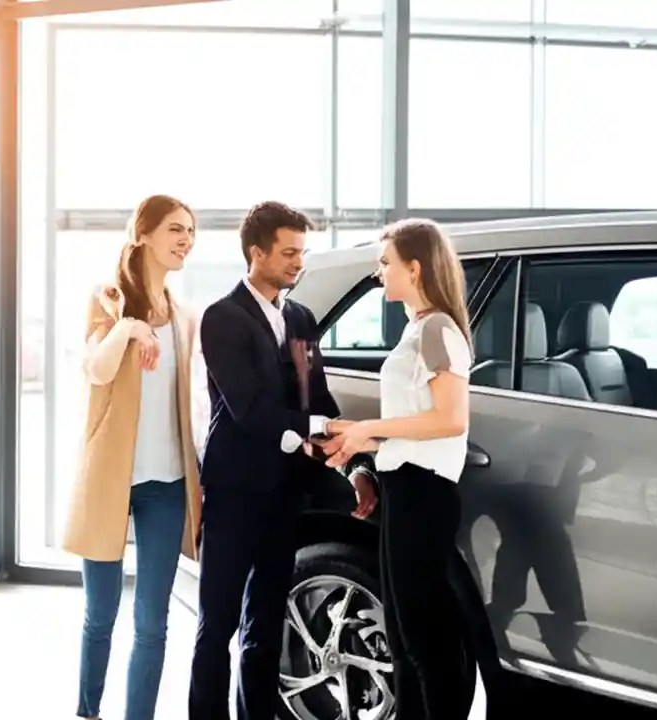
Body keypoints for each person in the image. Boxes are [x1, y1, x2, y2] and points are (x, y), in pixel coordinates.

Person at [188, 200, 341, 720]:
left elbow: (316, 395)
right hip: (235, 491)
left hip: (285, 491)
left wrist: (343, 440)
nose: (299, 263)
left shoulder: (300, 316)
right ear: (257, 253)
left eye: (302, 252)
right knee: (218, 625)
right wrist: (317, 430)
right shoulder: (222, 317)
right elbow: (249, 409)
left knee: (266, 623)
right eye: (289, 252)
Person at [320, 217, 476, 720]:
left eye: (385, 263)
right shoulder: (419, 329)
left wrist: (368, 429)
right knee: (406, 635)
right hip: (405, 487)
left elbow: (450, 420)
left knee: (425, 636)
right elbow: (418, 418)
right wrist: (361, 437)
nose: (378, 272)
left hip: (423, 492)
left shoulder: (436, 330)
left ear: (415, 267)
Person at [60, 194, 203, 720]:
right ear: (142, 234)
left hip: (166, 485)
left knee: (152, 622)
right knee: (100, 616)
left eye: (191, 230)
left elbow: (191, 404)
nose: (186, 239)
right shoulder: (109, 301)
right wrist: (129, 328)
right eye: (175, 229)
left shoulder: (186, 319)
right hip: (109, 480)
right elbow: (96, 370)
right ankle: (87, 712)